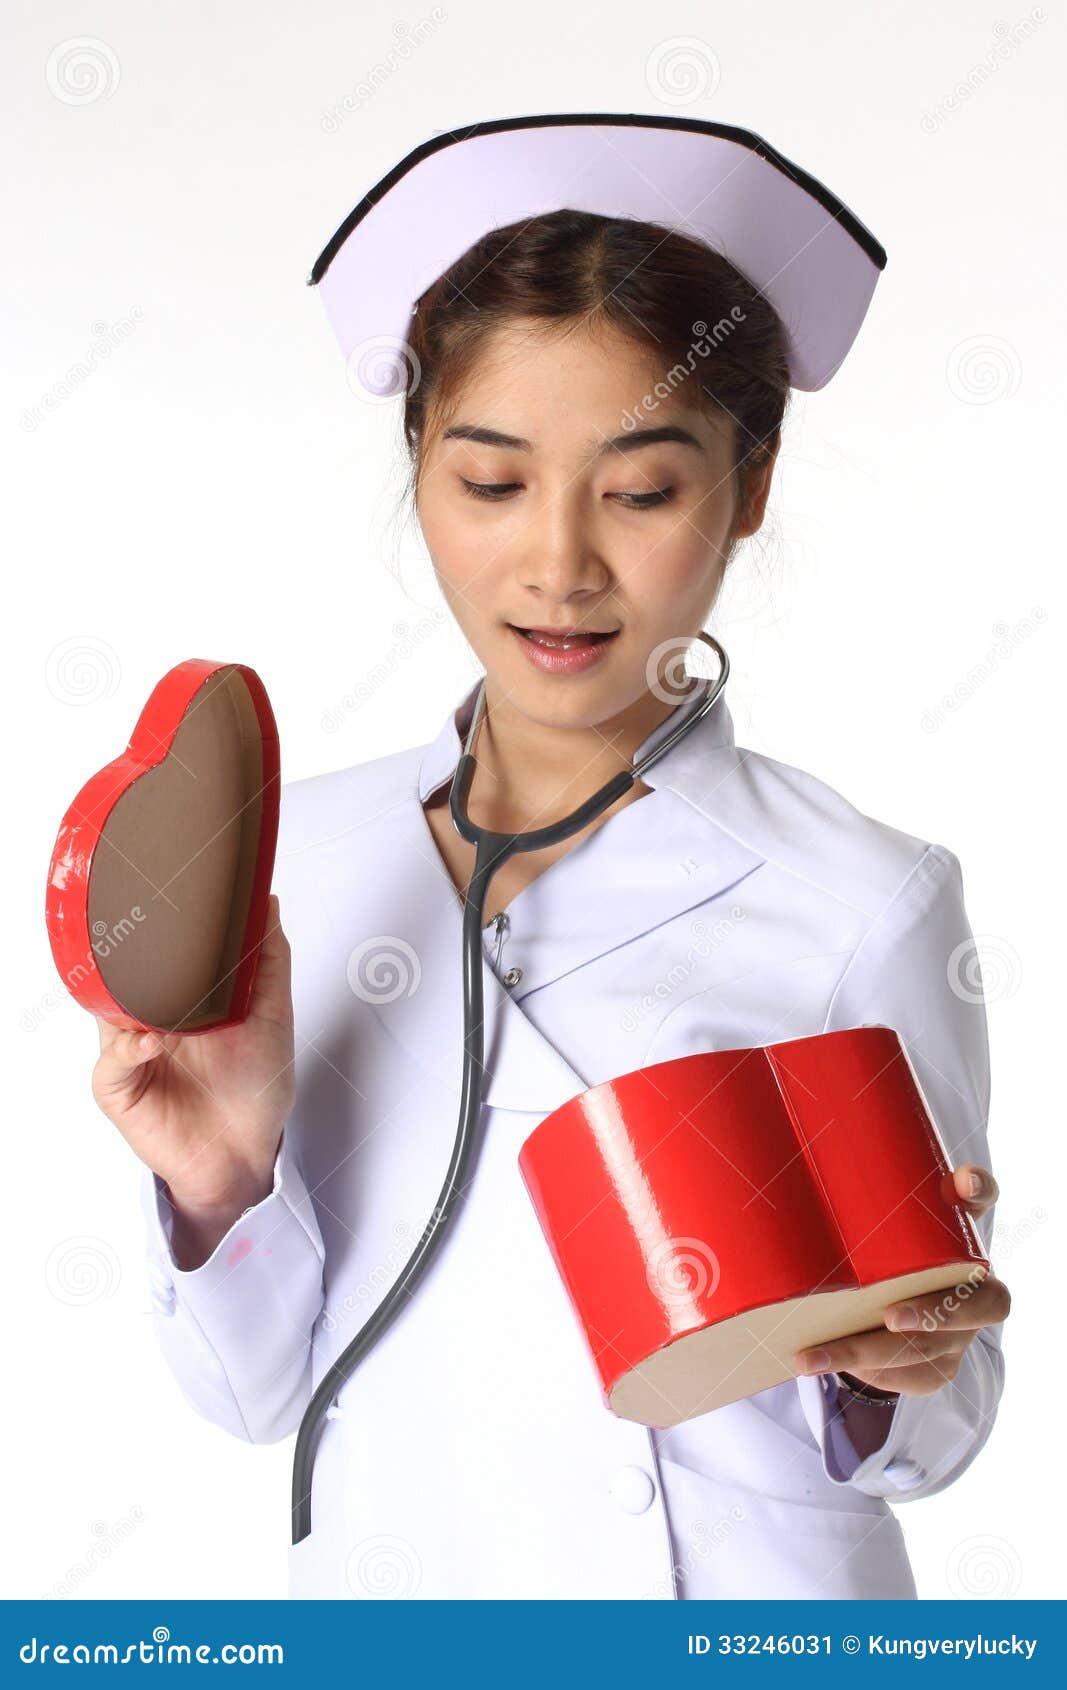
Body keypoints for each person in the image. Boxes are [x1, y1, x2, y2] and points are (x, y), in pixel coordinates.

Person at [91, 129, 1010, 1601]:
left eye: (640, 492)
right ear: (420, 473)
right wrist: (218, 1184)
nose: (560, 564)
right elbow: (253, 1399)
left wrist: (890, 1364)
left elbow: (942, 1428)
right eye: (492, 481)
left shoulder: (863, 897)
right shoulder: (294, 861)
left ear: (750, 486)